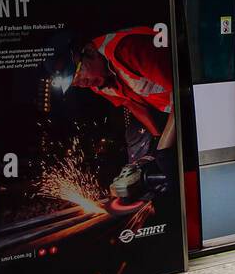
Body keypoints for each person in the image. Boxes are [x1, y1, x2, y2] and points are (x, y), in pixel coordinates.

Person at [68, 26, 176, 192]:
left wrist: (164, 148)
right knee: (135, 135)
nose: (81, 83)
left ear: (90, 51)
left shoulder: (128, 50)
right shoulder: (97, 83)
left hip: (191, 91)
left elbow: (182, 92)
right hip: (167, 106)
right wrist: (156, 137)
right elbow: (131, 104)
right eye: (75, 83)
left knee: (165, 153)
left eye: (78, 72)